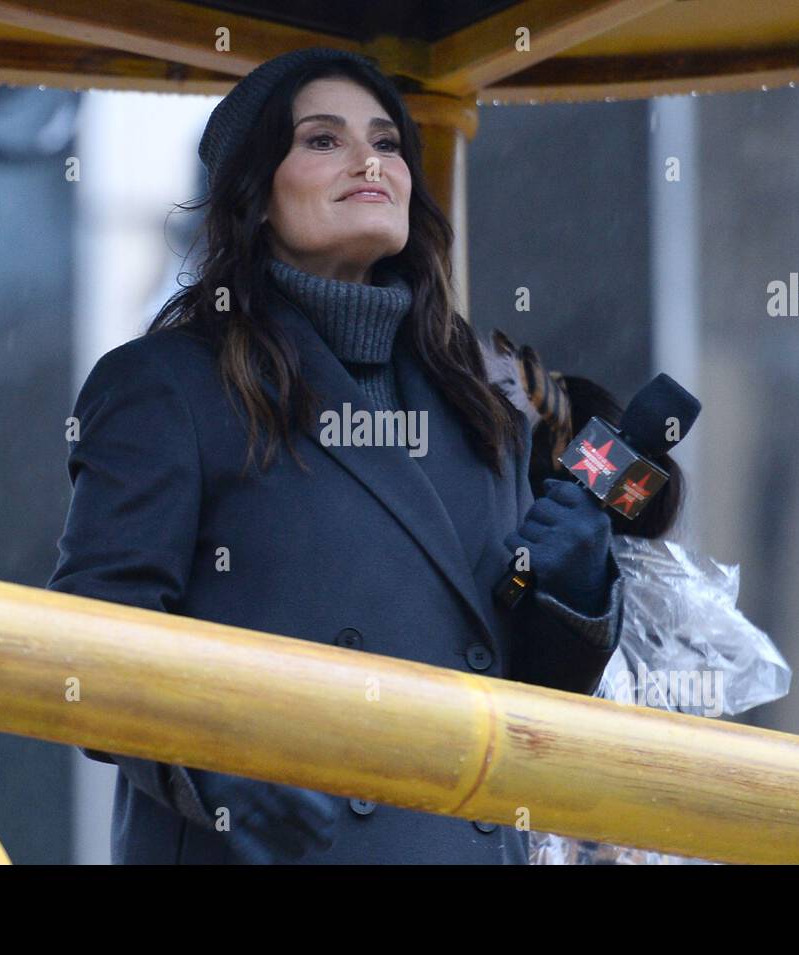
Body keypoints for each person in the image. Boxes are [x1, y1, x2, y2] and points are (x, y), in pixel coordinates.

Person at [46, 47, 625, 865]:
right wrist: (223, 764)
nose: (369, 161)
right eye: (323, 140)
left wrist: (576, 596)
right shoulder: (165, 385)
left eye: (387, 143)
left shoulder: (480, 399)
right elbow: (89, 646)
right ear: (255, 195)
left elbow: (522, 699)